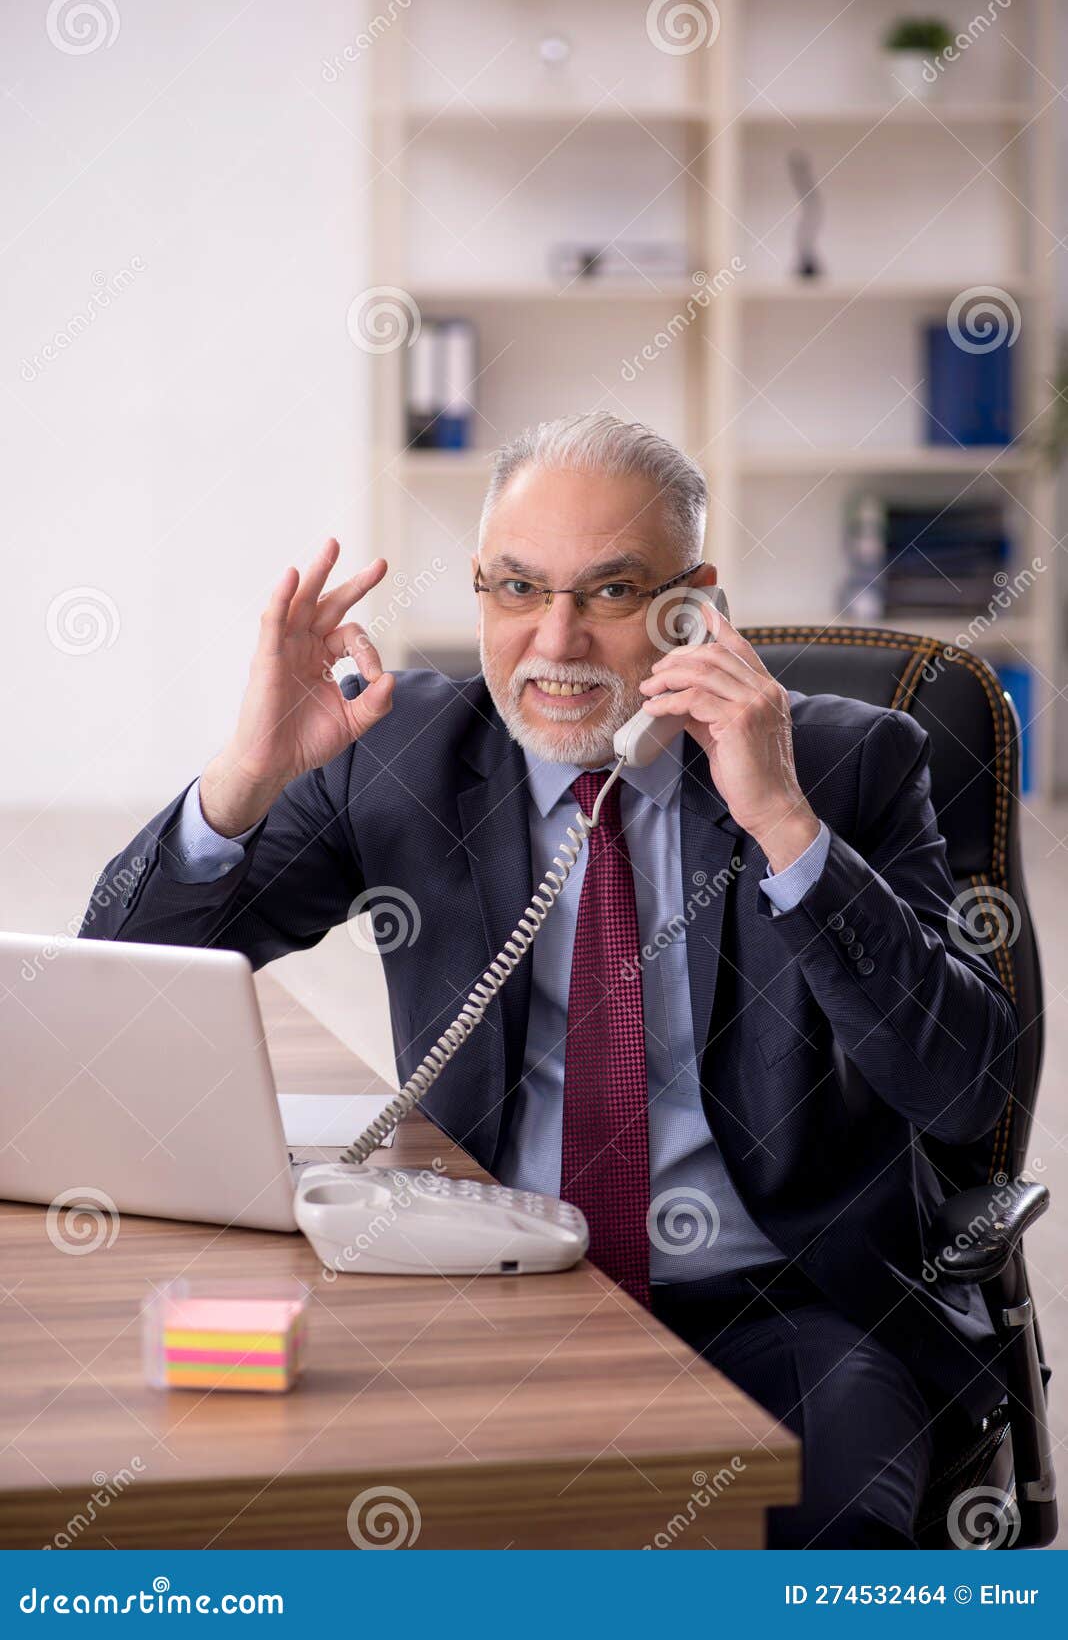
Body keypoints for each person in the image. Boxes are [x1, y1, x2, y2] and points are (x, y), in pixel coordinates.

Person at [81, 411, 1017, 1547]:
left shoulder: (847, 762)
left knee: (830, 1568)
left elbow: (969, 1085)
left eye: (610, 593)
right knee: (289, 1530)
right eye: (516, 589)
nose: (554, 640)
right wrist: (243, 775)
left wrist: (784, 825)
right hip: (483, 1284)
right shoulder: (400, 751)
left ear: (696, 602)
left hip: (783, 1304)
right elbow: (125, 983)